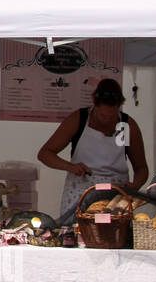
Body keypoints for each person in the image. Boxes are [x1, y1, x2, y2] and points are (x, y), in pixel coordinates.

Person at [38, 78, 147, 225]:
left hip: (115, 199)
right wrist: (71, 167)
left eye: (112, 115)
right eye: (102, 115)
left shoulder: (126, 126)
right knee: (77, 235)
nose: (107, 120)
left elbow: (141, 168)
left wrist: (135, 185)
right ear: (94, 103)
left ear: (120, 106)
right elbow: (45, 153)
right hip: (80, 194)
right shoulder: (79, 119)